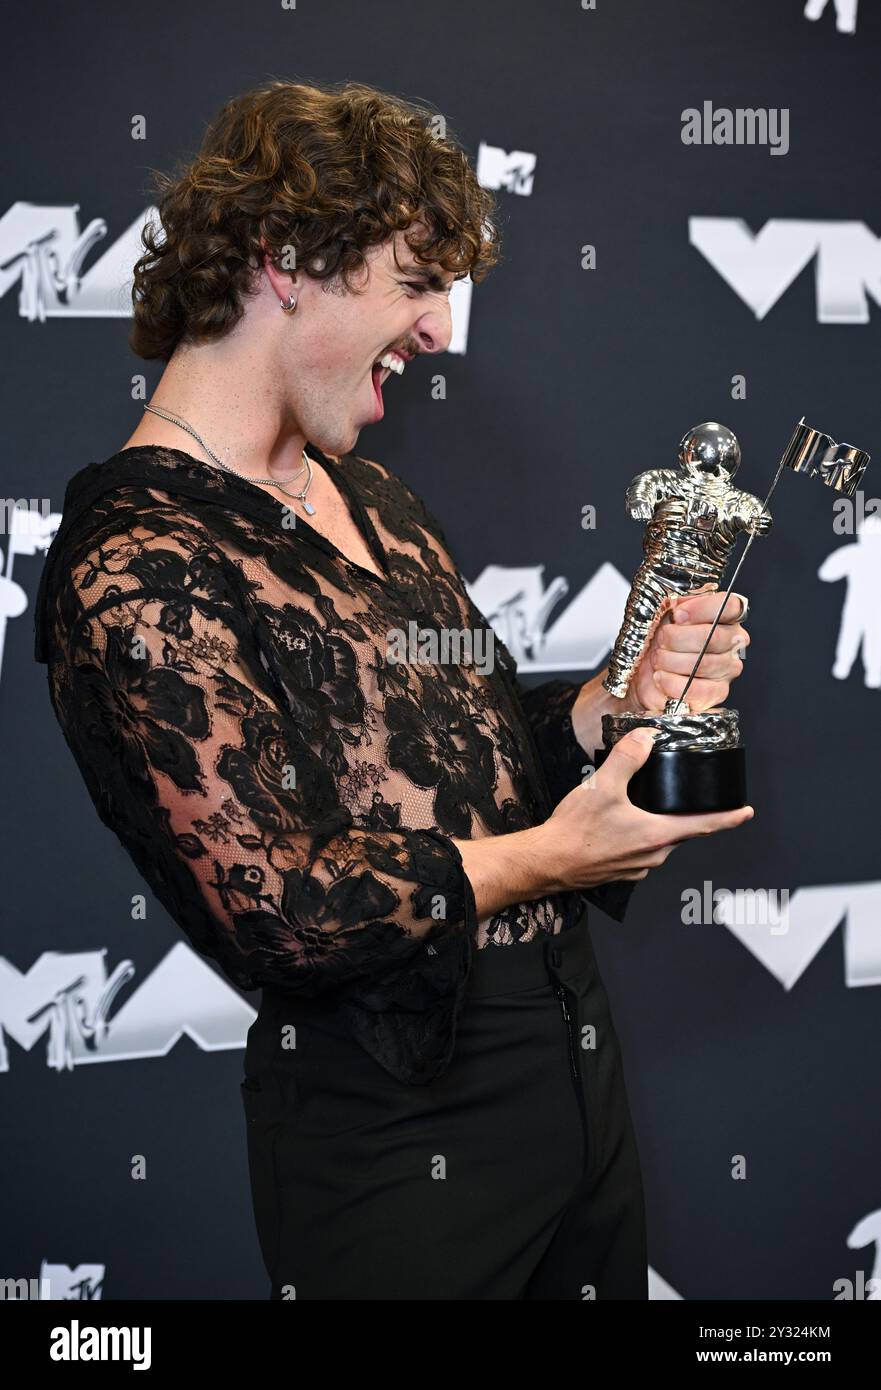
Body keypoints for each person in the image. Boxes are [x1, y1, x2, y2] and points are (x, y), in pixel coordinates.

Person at [33, 79, 753, 1300]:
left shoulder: (369, 496)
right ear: (287, 259)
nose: (435, 331)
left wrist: (609, 704)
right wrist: (548, 859)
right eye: (416, 282)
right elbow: (278, 899)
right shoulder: (136, 554)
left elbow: (461, 753)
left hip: (569, 1069)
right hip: (396, 1133)